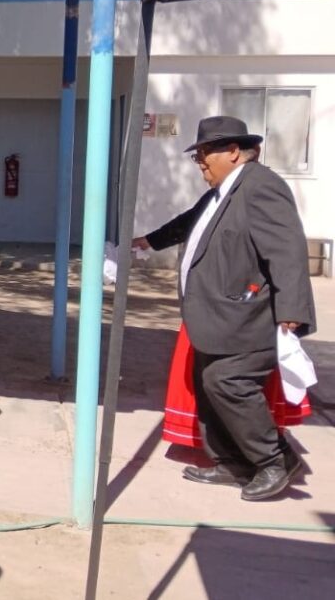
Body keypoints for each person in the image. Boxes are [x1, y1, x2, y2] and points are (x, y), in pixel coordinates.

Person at [131, 116, 315, 501]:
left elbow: (287, 249)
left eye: (203, 155)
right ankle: (232, 463)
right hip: (217, 316)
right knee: (209, 385)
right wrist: (149, 241)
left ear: (232, 151)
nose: (199, 163)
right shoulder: (223, 190)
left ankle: (274, 461)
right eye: (196, 155)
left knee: (228, 384)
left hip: (248, 315)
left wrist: (291, 310)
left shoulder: (261, 187)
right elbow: (189, 223)